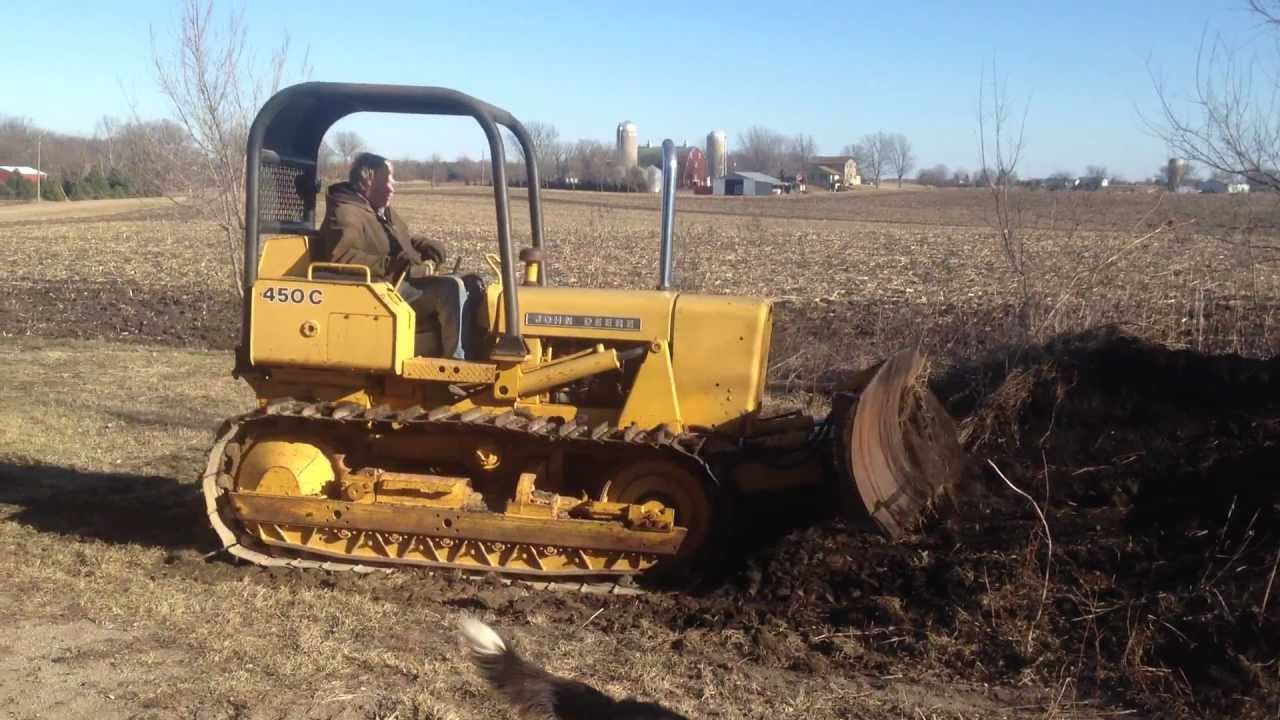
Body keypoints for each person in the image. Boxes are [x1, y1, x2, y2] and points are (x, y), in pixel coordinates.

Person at [315, 152, 467, 359]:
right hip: (380, 293)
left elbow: (395, 238)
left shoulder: (380, 211)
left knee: (472, 283)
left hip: (395, 283)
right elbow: (341, 257)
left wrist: (423, 244)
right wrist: (394, 265)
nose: (393, 186)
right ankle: (457, 364)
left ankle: (474, 350)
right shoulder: (346, 213)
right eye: (388, 179)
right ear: (368, 182)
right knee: (449, 289)